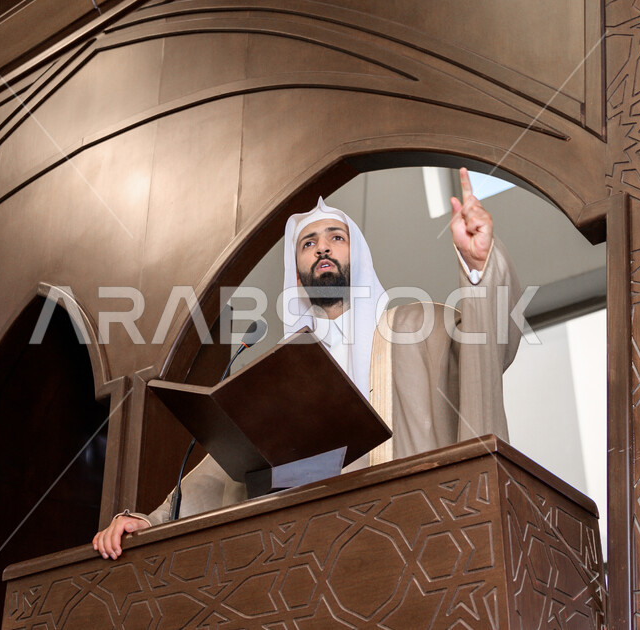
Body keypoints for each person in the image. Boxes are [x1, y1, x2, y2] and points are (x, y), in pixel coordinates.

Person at [93, 167, 522, 559]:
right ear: (297, 274)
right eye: (308, 243)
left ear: (359, 258)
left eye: (336, 237)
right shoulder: (279, 372)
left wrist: (480, 269)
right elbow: (222, 470)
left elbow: (488, 350)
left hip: (411, 535)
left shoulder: (419, 327)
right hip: (305, 553)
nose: (323, 248)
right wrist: (153, 519)